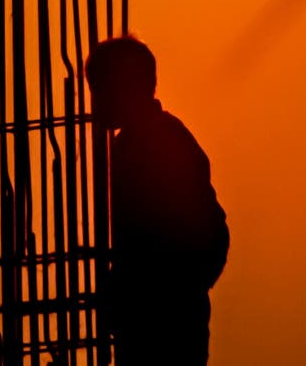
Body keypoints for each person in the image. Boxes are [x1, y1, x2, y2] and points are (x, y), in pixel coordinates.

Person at [85, 36, 229, 366]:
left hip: (166, 330)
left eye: (100, 88)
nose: (95, 101)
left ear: (125, 88)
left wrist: (172, 296)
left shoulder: (162, 142)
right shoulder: (129, 146)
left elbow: (208, 234)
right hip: (147, 323)